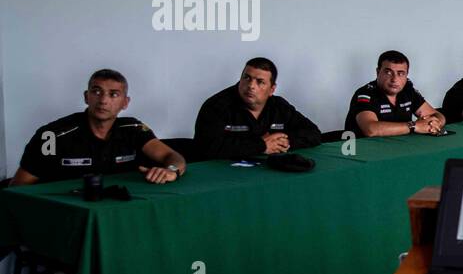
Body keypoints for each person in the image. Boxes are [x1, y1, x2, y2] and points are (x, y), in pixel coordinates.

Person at [11, 69, 186, 185]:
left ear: (125, 103)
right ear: (86, 97)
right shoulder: (53, 136)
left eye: (113, 94)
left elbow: (172, 156)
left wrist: (171, 171)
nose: (103, 100)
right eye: (96, 92)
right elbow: (19, 188)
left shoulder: (133, 128)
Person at [194, 58, 322, 160]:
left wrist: (284, 142)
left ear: (272, 89)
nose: (251, 86)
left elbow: (313, 132)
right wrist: (261, 146)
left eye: (260, 82)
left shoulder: (279, 106)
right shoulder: (217, 106)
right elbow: (207, 147)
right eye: (247, 78)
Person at [344, 50, 446, 137]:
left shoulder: (407, 90)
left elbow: (436, 114)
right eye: (388, 72)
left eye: (400, 74)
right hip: (361, 152)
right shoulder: (365, 93)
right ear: (378, 72)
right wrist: (414, 126)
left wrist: (435, 123)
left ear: (407, 75)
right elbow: (371, 129)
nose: (394, 79)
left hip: (398, 148)